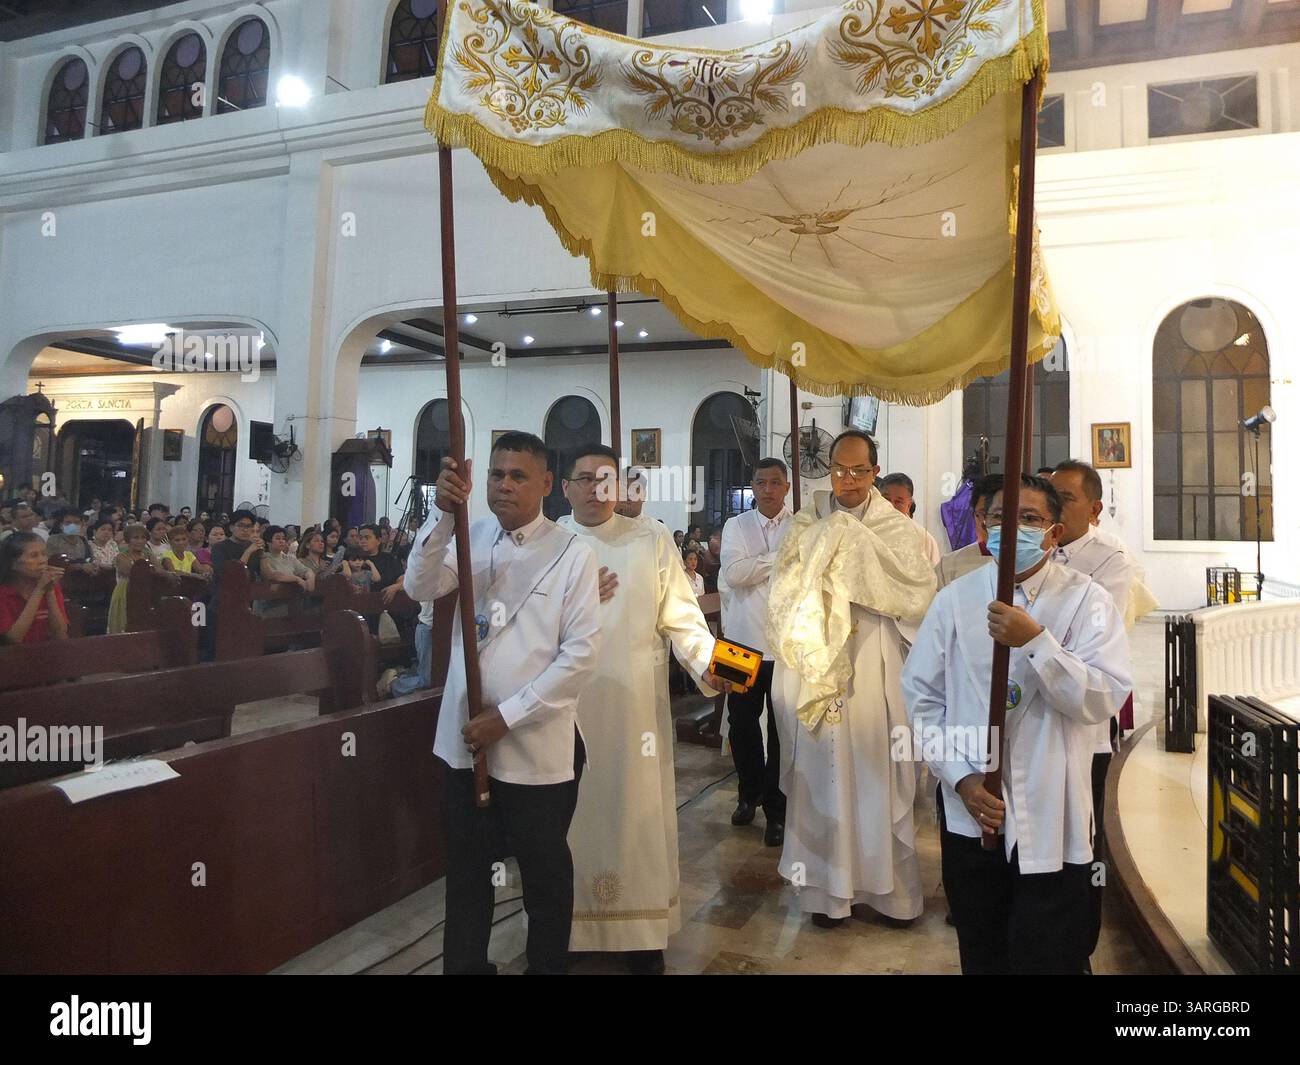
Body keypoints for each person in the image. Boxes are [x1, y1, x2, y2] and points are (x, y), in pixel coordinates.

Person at [902, 474, 1131, 974]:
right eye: (1001, 517)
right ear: (982, 529)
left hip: (1053, 807)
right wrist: (960, 779)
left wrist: (1037, 642)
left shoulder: (1087, 601)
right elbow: (921, 697)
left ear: (1053, 532)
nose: (1015, 529)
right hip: (974, 811)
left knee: (1050, 951)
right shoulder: (954, 601)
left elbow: (1104, 696)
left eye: (1030, 518)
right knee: (982, 947)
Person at [403, 432, 601, 975]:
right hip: (465, 745)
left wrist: (507, 716)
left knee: (544, 881)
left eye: (518, 476)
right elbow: (419, 586)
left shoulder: (572, 554)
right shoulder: (470, 534)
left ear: (544, 484)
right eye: (496, 474)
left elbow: (579, 657)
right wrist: (443, 516)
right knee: (467, 878)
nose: (505, 484)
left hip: (535, 750)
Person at [557, 445, 729, 972]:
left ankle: (641, 932)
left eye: (603, 479)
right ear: (564, 487)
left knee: (636, 814)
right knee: (569, 820)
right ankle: (565, 929)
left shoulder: (650, 538)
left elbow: (681, 617)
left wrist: (707, 663)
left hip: (634, 705)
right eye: (582, 479)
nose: (593, 489)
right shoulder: (553, 543)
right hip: (566, 706)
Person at [768, 429, 936, 928]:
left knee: (876, 773)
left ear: (875, 471)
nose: (847, 479)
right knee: (824, 776)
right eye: (839, 469)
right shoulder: (806, 522)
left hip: (874, 662)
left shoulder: (898, 530)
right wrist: (827, 552)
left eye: (859, 470)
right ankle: (828, 895)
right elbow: (785, 588)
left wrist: (851, 553)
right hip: (819, 665)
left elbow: (919, 594)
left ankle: (891, 897)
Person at [1048, 458, 1150, 959]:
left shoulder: (1110, 558)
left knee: (1082, 838)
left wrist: (1038, 633)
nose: (1053, 508)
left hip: (1084, 722)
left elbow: (1091, 636)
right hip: (1036, 716)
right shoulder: (1036, 549)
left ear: (1095, 508)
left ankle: (1079, 943)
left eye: (1064, 498)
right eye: (1051, 497)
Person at [719, 456, 792, 846]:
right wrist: (779, 560)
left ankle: (778, 812)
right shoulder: (736, 525)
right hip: (737, 641)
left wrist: (757, 566)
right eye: (760, 482)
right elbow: (734, 575)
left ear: (786, 487)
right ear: (753, 486)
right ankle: (749, 795)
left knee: (782, 729)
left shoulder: (801, 525)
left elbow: (801, 576)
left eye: (775, 482)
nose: (767, 489)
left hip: (786, 645)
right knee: (741, 725)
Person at [0, 532, 69, 643]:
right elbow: (12, 640)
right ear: (13, 563)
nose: (42, 561)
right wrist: (39, 591)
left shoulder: (50, 584)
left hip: (48, 654)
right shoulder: (3, 593)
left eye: (44, 554)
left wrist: (50, 591)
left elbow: (61, 634)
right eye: (34, 556)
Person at [935, 474, 1001, 589]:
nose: (989, 523)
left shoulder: (1031, 563)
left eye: (998, 515)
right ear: (974, 516)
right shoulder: (948, 565)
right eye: (983, 514)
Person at [878, 472, 943, 565]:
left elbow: (934, 576)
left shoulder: (924, 539)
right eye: (886, 499)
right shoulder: (865, 528)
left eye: (898, 502)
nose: (890, 506)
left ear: (908, 505)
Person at [108, 523, 153, 634]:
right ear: (128, 540)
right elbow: (134, 572)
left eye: (143, 538)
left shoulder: (147, 555)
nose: (140, 541)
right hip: (124, 592)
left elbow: (159, 570)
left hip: (144, 592)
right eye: (136, 538)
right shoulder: (121, 557)